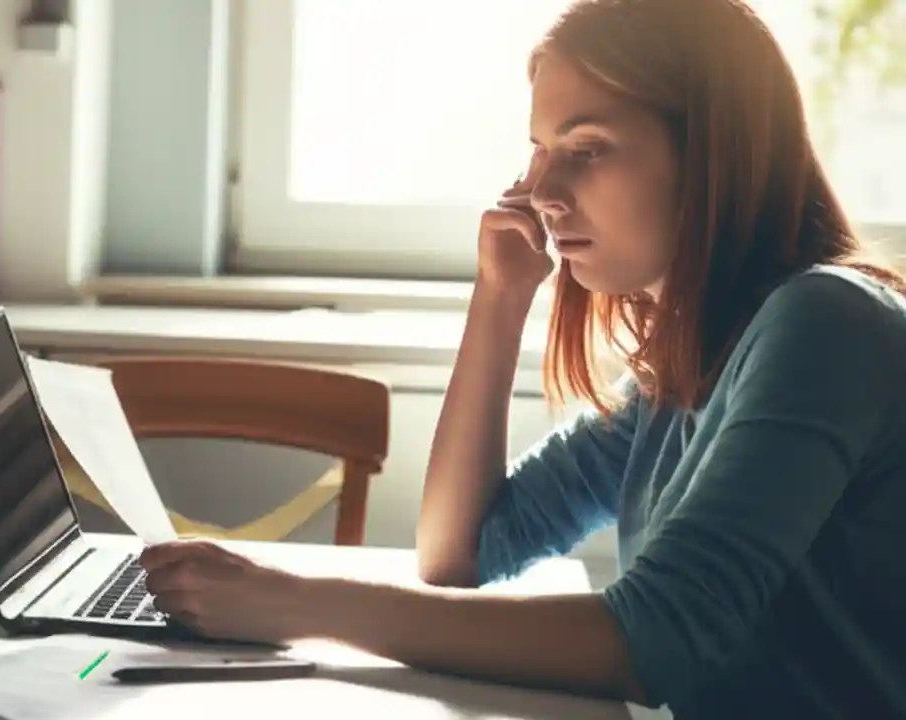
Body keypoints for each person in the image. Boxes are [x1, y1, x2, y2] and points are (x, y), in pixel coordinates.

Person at [139, 1, 906, 716]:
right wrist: (499, 300)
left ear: (715, 154)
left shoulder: (825, 322)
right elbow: (460, 554)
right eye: (539, 152)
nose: (540, 189)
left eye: (587, 149)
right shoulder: (686, 370)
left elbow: (655, 641)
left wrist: (288, 601)